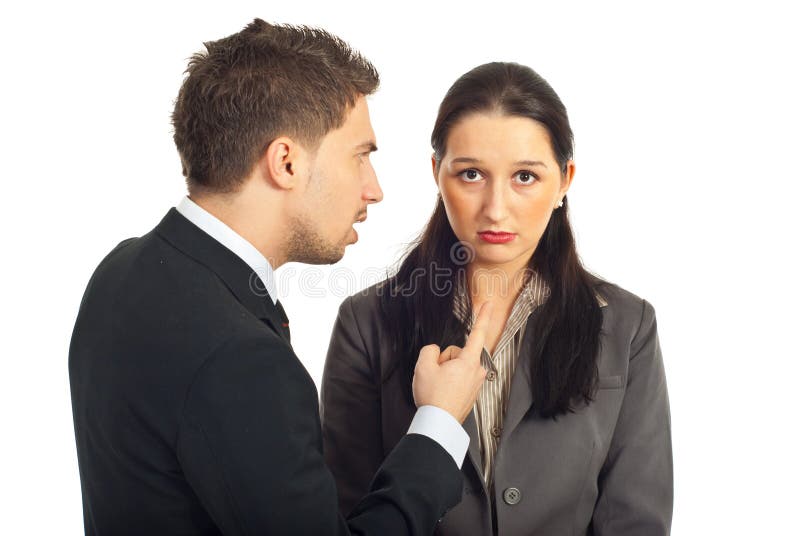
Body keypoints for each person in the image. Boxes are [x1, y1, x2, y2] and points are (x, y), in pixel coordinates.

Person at [68, 19, 491, 535]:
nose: (374, 189)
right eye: (360, 157)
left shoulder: (120, 270)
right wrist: (439, 423)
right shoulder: (240, 358)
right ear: (286, 163)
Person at [321, 62, 673, 535]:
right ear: (437, 173)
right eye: (471, 174)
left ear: (564, 181)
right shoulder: (366, 323)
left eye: (525, 177)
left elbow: (636, 521)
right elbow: (349, 514)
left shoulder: (628, 325)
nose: (496, 209)